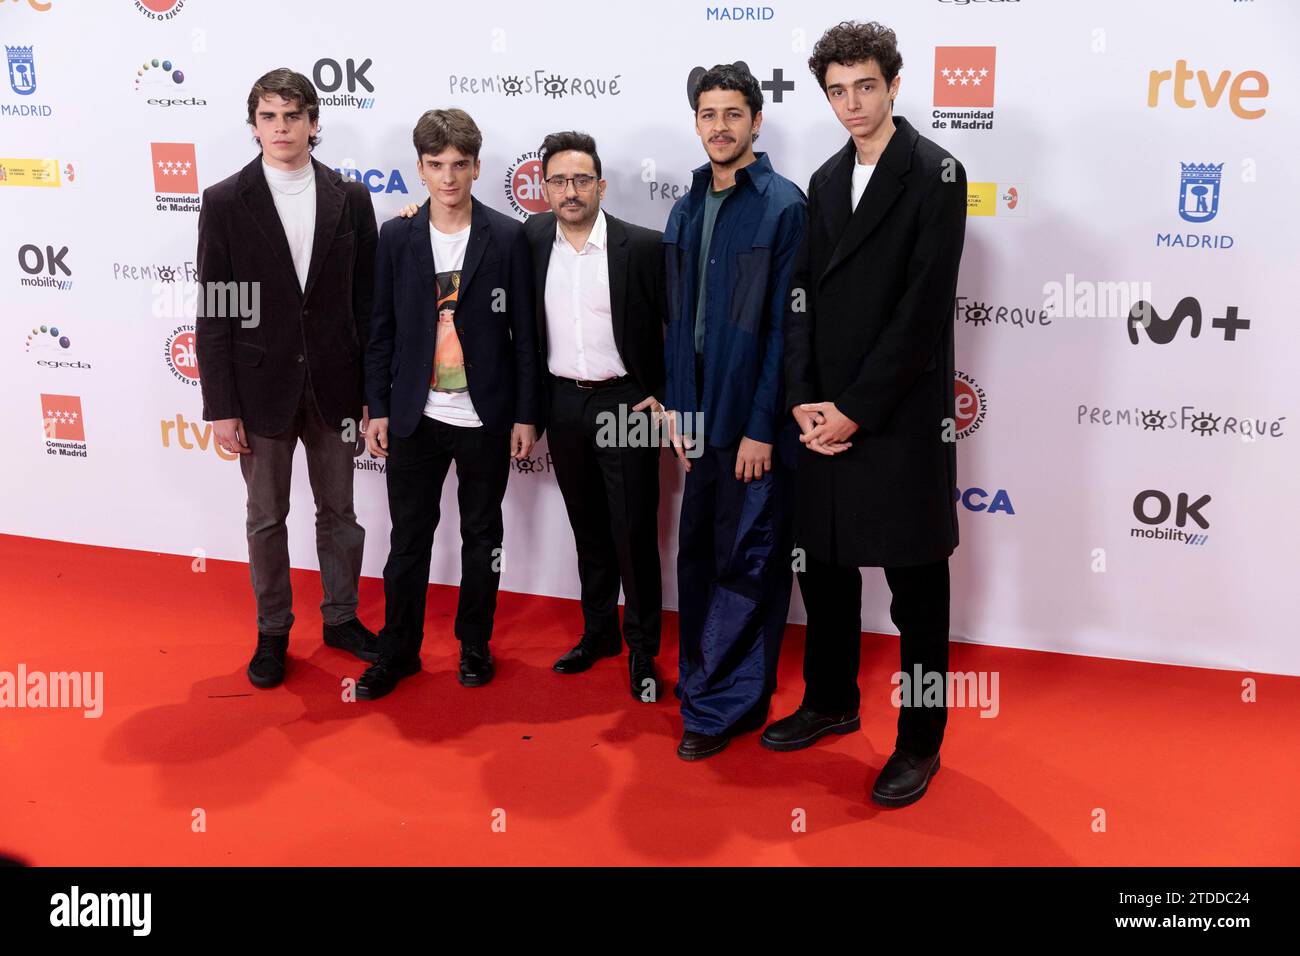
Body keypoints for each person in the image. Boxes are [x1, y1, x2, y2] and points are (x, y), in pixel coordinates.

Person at [771, 21, 968, 808]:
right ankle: (831, 700)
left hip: (899, 421)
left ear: (893, 84)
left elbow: (922, 314)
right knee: (824, 571)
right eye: (837, 91)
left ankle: (920, 743)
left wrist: (854, 409)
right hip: (823, 417)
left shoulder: (938, 174)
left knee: (916, 591)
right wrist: (804, 399)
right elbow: (803, 301)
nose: (852, 104)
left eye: (865, 87)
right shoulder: (822, 180)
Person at [196, 67, 379, 689]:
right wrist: (221, 404)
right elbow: (216, 306)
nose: (281, 127)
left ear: (313, 123)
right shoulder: (224, 201)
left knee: (341, 514)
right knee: (266, 518)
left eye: (293, 115)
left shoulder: (350, 198)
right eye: (269, 116)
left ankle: (341, 617)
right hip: (258, 390)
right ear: (254, 125)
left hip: (337, 387)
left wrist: (373, 394)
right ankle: (273, 630)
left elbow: (368, 303)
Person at [357, 108, 540, 699]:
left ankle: (474, 644)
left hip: (485, 415)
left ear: (478, 166)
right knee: (409, 537)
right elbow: (380, 328)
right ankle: (399, 650)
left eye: (460, 164)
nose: (448, 177)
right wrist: (377, 407)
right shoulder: (396, 235)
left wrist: (526, 414)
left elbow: (528, 336)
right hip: (414, 413)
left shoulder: (508, 237)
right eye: (436, 165)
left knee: (482, 537)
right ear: (420, 167)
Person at [662, 63, 806, 760]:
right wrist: (680, 411)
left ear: (756, 120)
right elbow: (676, 321)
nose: (719, 126)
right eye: (708, 114)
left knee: (746, 565)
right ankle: (701, 685)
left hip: (752, 427)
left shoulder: (783, 205)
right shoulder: (687, 202)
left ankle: (729, 706)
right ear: (697, 122)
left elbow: (783, 329)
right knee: (698, 559)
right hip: (699, 421)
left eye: (732, 114)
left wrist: (759, 427)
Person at [522, 131, 668, 702]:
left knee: (632, 529)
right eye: (558, 180)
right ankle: (599, 633)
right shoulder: (530, 240)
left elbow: (679, 328)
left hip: (625, 400)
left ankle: (643, 651)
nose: (571, 190)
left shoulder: (644, 247)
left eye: (582, 179)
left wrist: (665, 391)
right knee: (587, 526)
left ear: (601, 185)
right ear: (544, 187)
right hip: (562, 402)